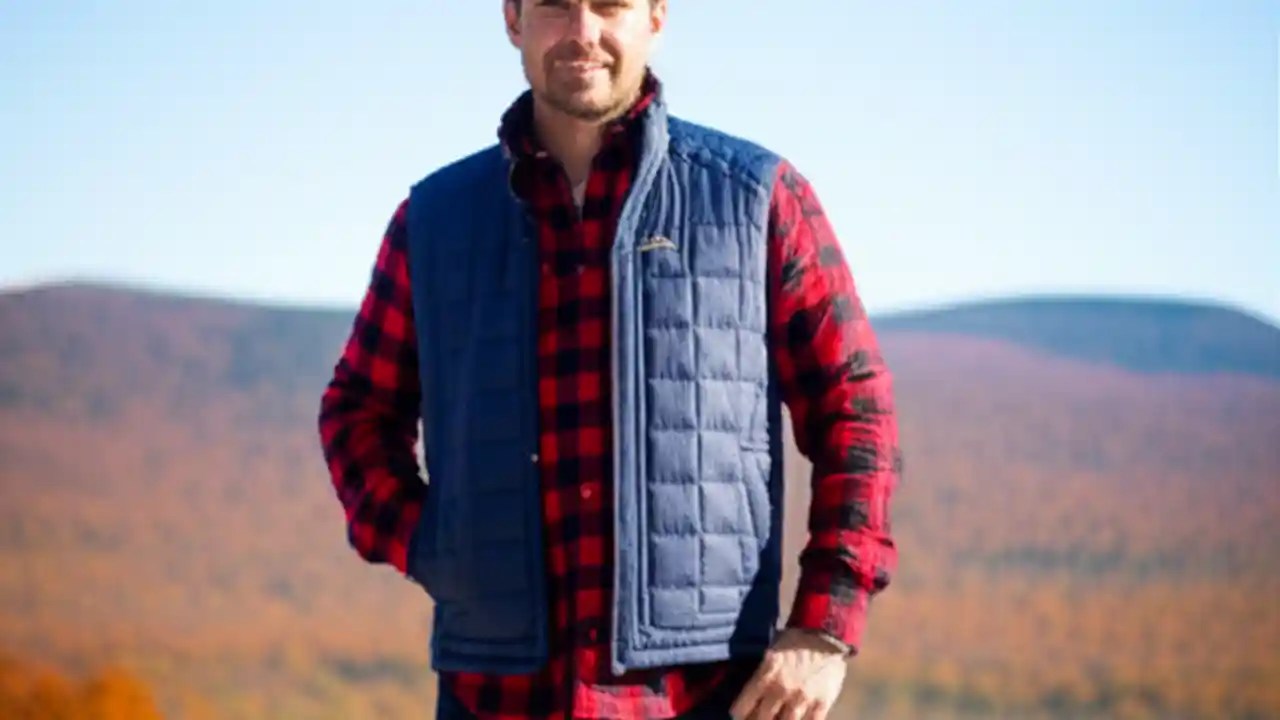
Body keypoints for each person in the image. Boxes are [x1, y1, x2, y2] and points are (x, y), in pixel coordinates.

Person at [318, 1, 900, 718]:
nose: (583, 32)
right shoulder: (434, 222)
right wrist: (434, 545)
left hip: (706, 696)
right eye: (555, 7)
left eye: (609, 6)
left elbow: (855, 406)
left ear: (655, 16)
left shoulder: (757, 200)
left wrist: (825, 624)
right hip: (497, 697)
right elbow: (357, 413)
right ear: (513, 19)